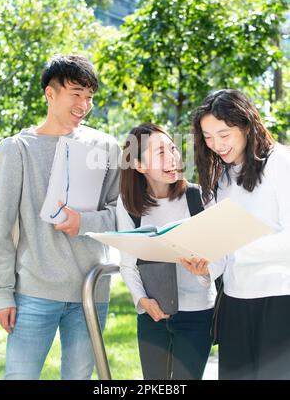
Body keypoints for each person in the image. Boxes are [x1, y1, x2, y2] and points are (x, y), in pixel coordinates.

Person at [0, 54, 120, 380]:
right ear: (50, 93)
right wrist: (2, 293)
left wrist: (85, 223)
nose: (84, 104)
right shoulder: (16, 149)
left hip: (91, 291)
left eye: (89, 96)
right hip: (34, 293)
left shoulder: (105, 146)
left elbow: (124, 214)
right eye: (76, 94)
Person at [181, 89, 290, 380]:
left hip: (279, 299)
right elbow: (221, 254)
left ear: (245, 125)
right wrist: (204, 266)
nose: (216, 144)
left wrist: (236, 249)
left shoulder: (281, 162)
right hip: (233, 301)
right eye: (207, 137)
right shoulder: (222, 178)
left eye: (224, 134)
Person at [117, 123, 215, 380]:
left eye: (173, 148)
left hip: (197, 313)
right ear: (139, 165)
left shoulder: (198, 197)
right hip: (152, 312)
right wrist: (141, 301)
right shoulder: (128, 203)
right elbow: (128, 262)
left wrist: (205, 272)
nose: (173, 157)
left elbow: (219, 258)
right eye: (161, 152)